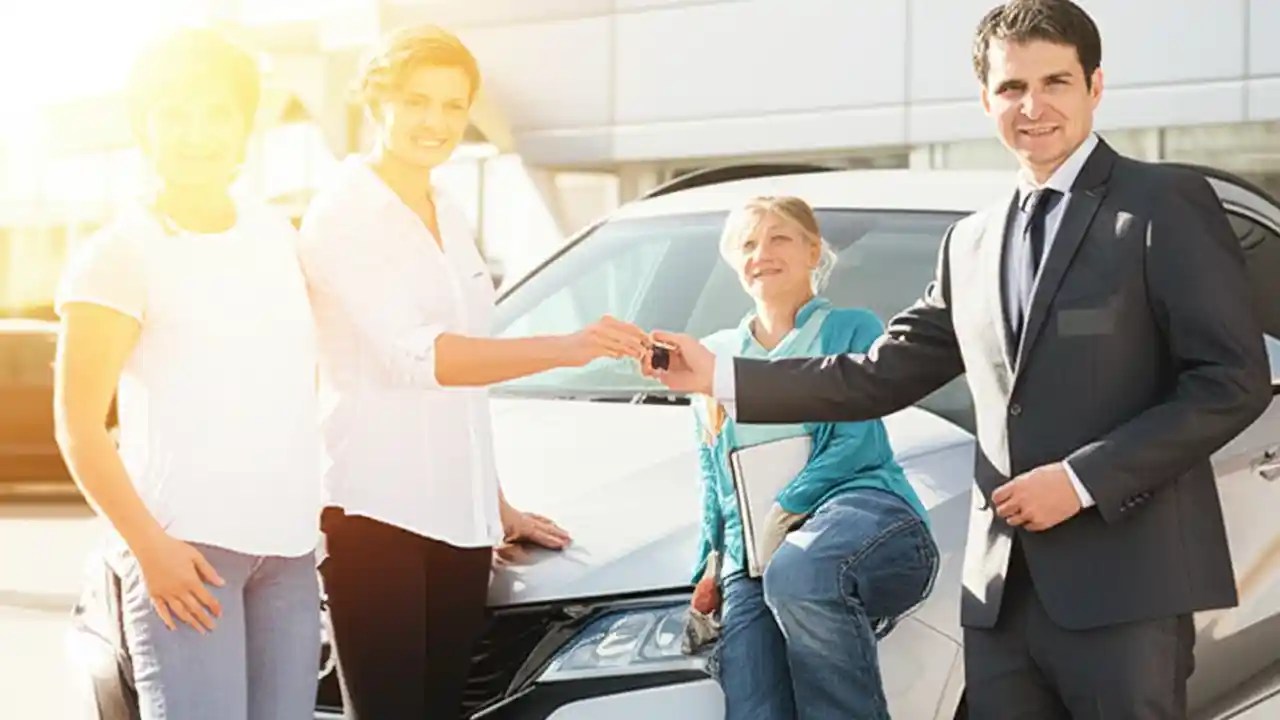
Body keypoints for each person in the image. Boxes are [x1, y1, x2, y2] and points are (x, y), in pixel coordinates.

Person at [649, 1, 1273, 717]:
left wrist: (1080, 480)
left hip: (1125, 590)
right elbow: (877, 372)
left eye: (1055, 82)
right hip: (998, 597)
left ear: (1095, 88)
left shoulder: (1164, 203)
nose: (1032, 106)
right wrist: (719, 376)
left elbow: (1230, 380)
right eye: (1011, 88)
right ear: (985, 100)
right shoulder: (970, 241)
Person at [297, 25, 650, 719]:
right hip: (376, 512)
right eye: (417, 102)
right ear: (377, 102)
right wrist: (567, 347)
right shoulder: (345, 211)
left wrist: (495, 503)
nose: (436, 122)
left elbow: (466, 386)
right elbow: (425, 357)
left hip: (457, 524)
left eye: (453, 107)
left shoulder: (448, 208)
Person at [53, 30, 323, 720]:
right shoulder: (120, 252)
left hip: (288, 552)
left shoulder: (279, 235)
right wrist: (149, 549)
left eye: (216, 114)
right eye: (174, 114)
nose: (196, 134)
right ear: (144, 127)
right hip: (186, 552)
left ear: (243, 129)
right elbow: (80, 425)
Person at [687, 196, 938, 720]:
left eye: (779, 238)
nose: (762, 253)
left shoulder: (852, 329)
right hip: (756, 557)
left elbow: (854, 443)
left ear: (812, 250)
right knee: (754, 703)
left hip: (860, 512)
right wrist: (709, 563)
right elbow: (715, 475)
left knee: (805, 571)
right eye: (748, 244)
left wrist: (784, 510)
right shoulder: (713, 357)